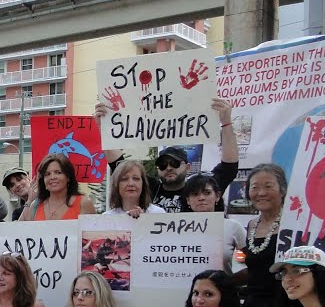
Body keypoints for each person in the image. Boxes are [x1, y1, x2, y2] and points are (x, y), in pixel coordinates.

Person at [94, 96, 240, 212]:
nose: (169, 168)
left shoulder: (200, 188)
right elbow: (119, 164)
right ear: (157, 169)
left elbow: (229, 166)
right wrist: (104, 128)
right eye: (162, 165)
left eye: (175, 163)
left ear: (188, 167)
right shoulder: (150, 187)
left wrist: (226, 122)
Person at [182, 172, 247, 273]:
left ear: (217, 196)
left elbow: (254, 261)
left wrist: (233, 280)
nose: (201, 198)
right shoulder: (176, 228)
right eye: (195, 194)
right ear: (188, 200)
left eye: (207, 193)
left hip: (221, 287)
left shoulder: (232, 226)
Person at [17, 153, 98, 221]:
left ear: (68, 177)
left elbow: (94, 237)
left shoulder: (83, 203)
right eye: (47, 174)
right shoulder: (35, 206)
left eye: (58, 172)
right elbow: (23, 233)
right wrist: (29, 200)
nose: (52, 177)